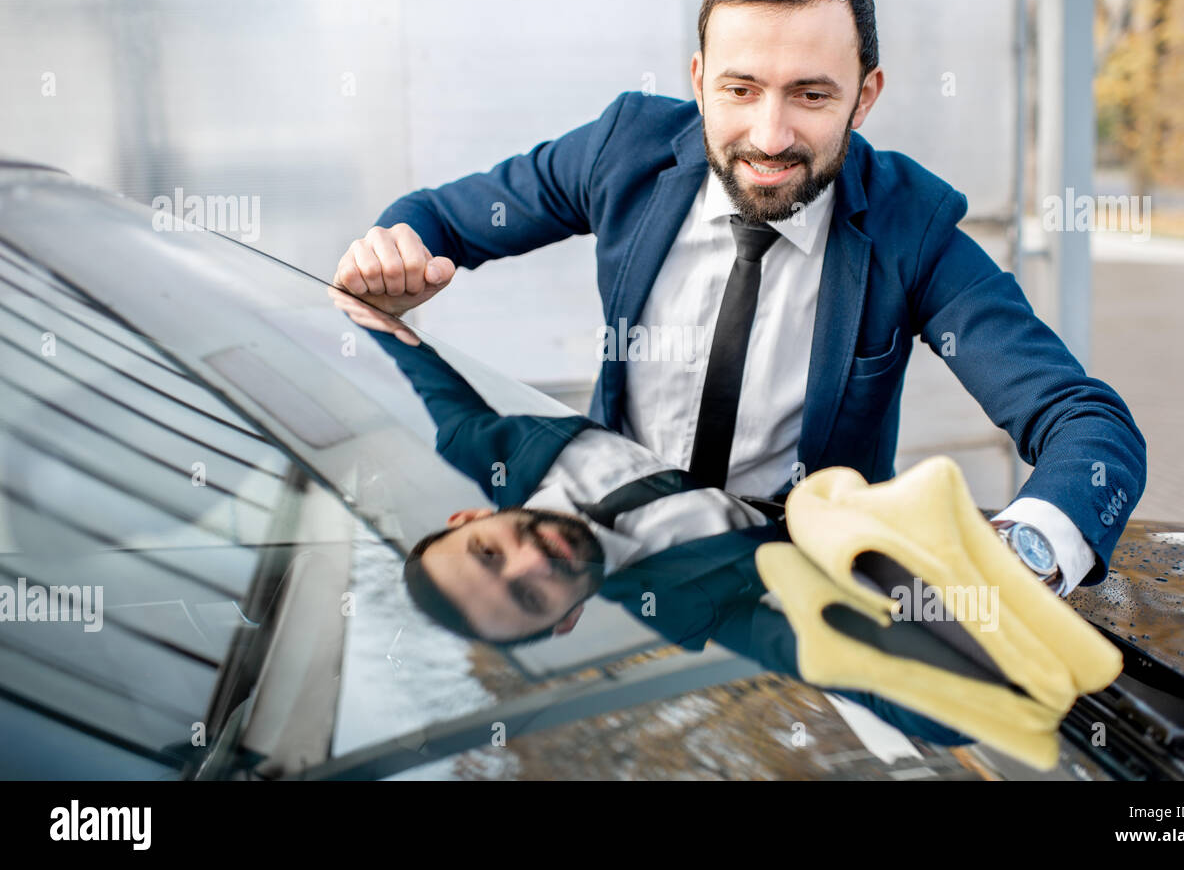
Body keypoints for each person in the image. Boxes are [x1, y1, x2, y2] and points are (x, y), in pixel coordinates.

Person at [333, 0, 1146, 619]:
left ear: (866, 98)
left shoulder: (911, 225)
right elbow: (443, 216)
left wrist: (1023, 550)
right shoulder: (625, 149)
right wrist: (393, 249)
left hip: (799, 598)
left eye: (811, 95)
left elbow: (1087, 423)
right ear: (697, 81)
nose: (770, 133)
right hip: (608, 570)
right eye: (740, 89)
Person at [344, 304, 998, 747]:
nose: (531, 562)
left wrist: (364, 299)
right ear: (567, 616)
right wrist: (963, 710)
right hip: (873, 499)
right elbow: (822, 662)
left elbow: (411, 362)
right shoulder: (682, 604)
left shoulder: (483, 445)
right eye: (528, 596)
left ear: (471, 516)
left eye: (489, 552)